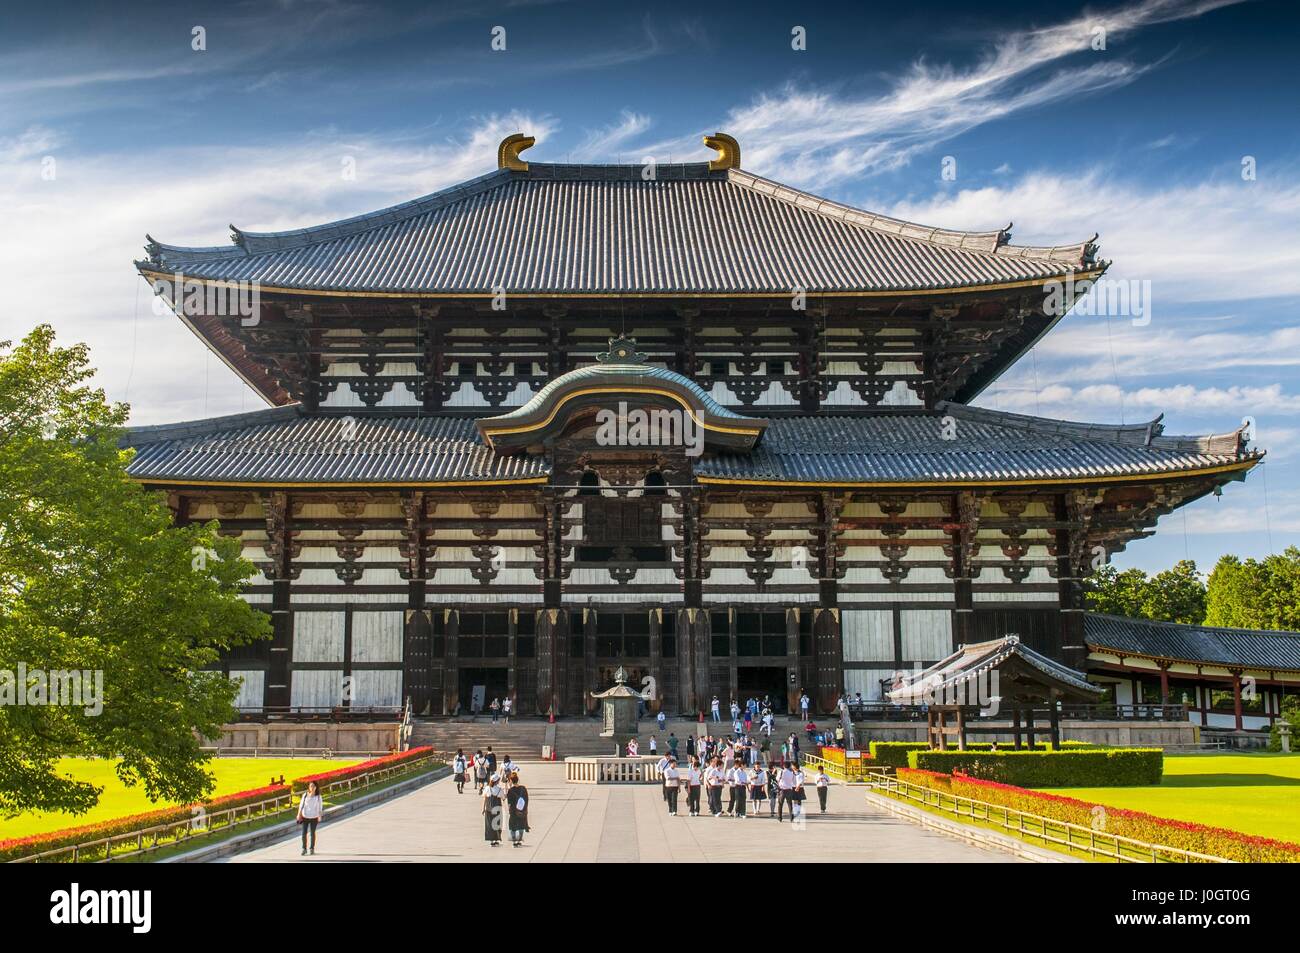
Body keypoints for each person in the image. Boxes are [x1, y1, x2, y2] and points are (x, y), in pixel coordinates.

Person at [297, 780, 323, 856]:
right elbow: (301, 805)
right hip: (305, 816)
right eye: (310, 786)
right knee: (304, 833)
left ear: (316, 787)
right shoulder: (305, 795)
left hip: (314, 817)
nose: (311, 787)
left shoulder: (318, 796)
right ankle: (304, 849)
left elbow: (320, 807)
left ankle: (311, 848)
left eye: (313, 786)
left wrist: (319, 815)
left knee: (312, 833)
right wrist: (299, 814)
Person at [507, 772, 529, 847]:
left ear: (511, 781)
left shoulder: (510, 790)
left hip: (513, 811)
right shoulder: (523, 788)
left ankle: (514, 842)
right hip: (522, 810)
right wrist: (525, 809)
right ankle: (519, 841)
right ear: (517, 779)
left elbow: (509, 803)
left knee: (512, 826)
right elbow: (526, 799)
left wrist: (509, 810)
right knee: (521, 825)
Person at [483, 773, 503, 846]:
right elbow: (503, 798)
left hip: (488, 808)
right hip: (497, 808)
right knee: (497, 824)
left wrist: (483, 808)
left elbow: (484, 798)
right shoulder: (499, 789)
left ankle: (491, 840)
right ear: (497, 781)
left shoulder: (487, 788)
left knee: (489, 825)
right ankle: (496, 839)